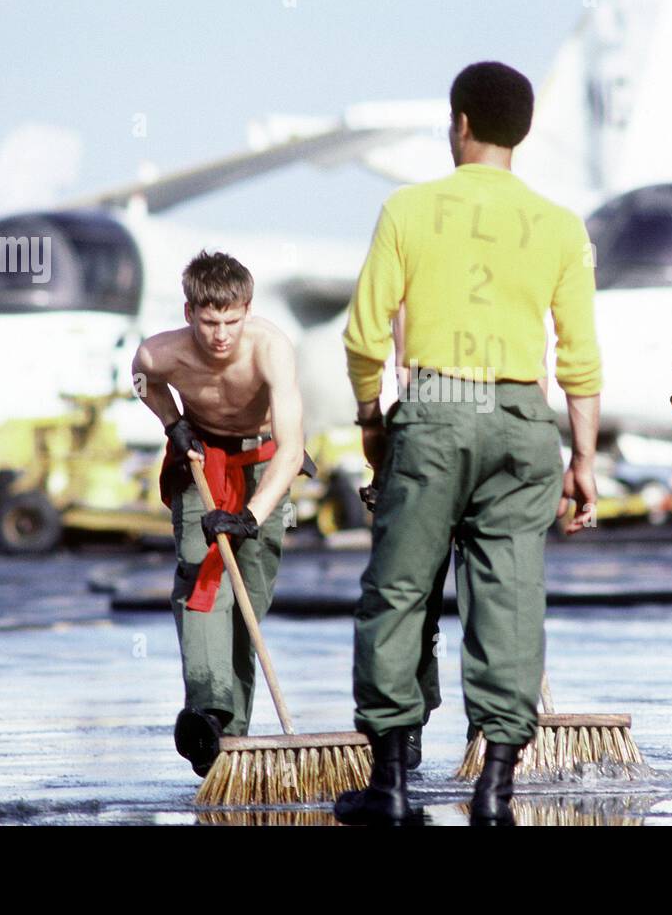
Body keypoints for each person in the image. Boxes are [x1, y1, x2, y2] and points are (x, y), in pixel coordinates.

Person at [335, 61, 602, 825]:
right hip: (523, 418)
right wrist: (582, 459)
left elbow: (363, 335)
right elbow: (578, 354)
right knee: (510, 597)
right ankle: (497, 785)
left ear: (459, 124)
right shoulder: (560, 224)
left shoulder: (407, 209)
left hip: (438, 406)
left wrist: (372, 420)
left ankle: (389, 781)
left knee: (399, 587)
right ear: (520, 131)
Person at [132, 251, 307, 777]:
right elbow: (140, 378)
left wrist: (250, 516)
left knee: (245, 607)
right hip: (202, 465)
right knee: (202, 586)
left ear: (247, 310)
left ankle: (233, 737)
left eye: (232, 320)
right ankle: (208, 713)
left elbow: (292, 450)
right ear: (189, 313)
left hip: (262, 465)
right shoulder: (160, 353)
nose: (221, 335)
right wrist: (171, 421)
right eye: (210, 322)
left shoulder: (271, 348)